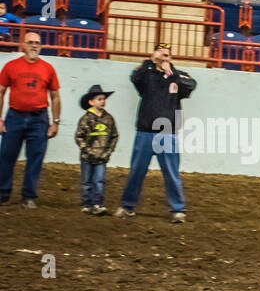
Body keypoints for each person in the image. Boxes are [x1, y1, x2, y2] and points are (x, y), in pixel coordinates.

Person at [116, 42, 196, 223]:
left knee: (171, 172)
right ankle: (128, 205)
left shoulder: (178, 76)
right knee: (137, 170)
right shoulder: (147, 74)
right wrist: (149, 62)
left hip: (167, 132)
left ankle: (178, 209)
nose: (163, 58)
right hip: (145, 131)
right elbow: (135, 78)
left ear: (171, 58)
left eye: (166, 55)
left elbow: (191, 84)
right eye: (160, 54)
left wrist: (171, 72)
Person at [0, 30, 61, 208]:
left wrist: (55, 122)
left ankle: (28, 196)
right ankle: (3, 193)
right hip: (14, 117)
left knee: (35, 158)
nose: (35, 45)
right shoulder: (11, 66)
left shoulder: (48, 68)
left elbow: (55, 96)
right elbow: (1, 92)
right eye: (31, 42)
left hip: (39, 119)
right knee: (6, 156)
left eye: (37, 43)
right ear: (23, 45)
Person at [75, 84, 118, 216]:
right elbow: (79, 137)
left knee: (99, 181)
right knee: (87, 181)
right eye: (99, 99)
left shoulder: (109, 119)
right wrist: (86, 150)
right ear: (91, 102)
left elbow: (114, 136)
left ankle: (97, 203)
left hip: (102, 157)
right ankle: (87, 204)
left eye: (103, 99)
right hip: (87, 157)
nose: (102, 101)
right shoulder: (86, 119)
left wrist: (109, 151)